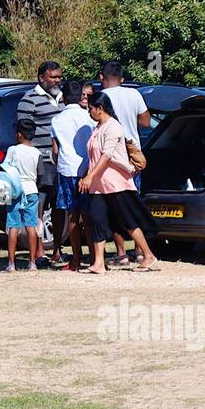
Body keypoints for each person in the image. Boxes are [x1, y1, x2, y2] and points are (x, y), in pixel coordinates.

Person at [78, 92, 160, 274]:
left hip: (116, 183)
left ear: (100, 109)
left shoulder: (113, 127)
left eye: (91, 109)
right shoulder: (98, 127)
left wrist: (90, 176)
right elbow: (93, 156)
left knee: (128, 221)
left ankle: (148, 255)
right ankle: (98, 263)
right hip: (99, 186)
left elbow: (106, 155)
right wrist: (86, 174)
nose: (89, 112)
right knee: (97, 219)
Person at [99, 60, 151, 264]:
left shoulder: (102, 97)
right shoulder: (134, 94)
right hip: (132, 152)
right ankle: (139, 250)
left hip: (110, 154)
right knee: (134, 200)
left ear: (101, 77)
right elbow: (146, 122)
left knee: (113, 201)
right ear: (122, 79)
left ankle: (120, 252)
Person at [16, 61, 64, 263]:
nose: (57, 81)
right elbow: (23, 131)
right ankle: (38, 253)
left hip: (62, 162)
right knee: (38, 208)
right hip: (40, 162)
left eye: (59, 77)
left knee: (59, 208)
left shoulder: (65, 97)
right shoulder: (29, 100)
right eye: (53, 77)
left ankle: (57, 250)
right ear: (41, 77)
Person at [50, 81, 94, 269]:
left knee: (73, 216)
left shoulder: (56, 120)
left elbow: (55, 151)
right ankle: (95, 257)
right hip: (89, 170)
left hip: (67, 170)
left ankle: (76, 258)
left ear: (64, 98)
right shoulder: (89, 118)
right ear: (82, 97)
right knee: (90, 215)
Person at [3, 119, 42, 272]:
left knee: (13, 226)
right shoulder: (37, 152)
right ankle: (32, 262)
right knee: (31, 226)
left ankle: (11, 263)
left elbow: (5, 169)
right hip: (32, 190)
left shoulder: (13, 150)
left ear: (19, 135)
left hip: (15, 191)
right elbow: (40, 174)